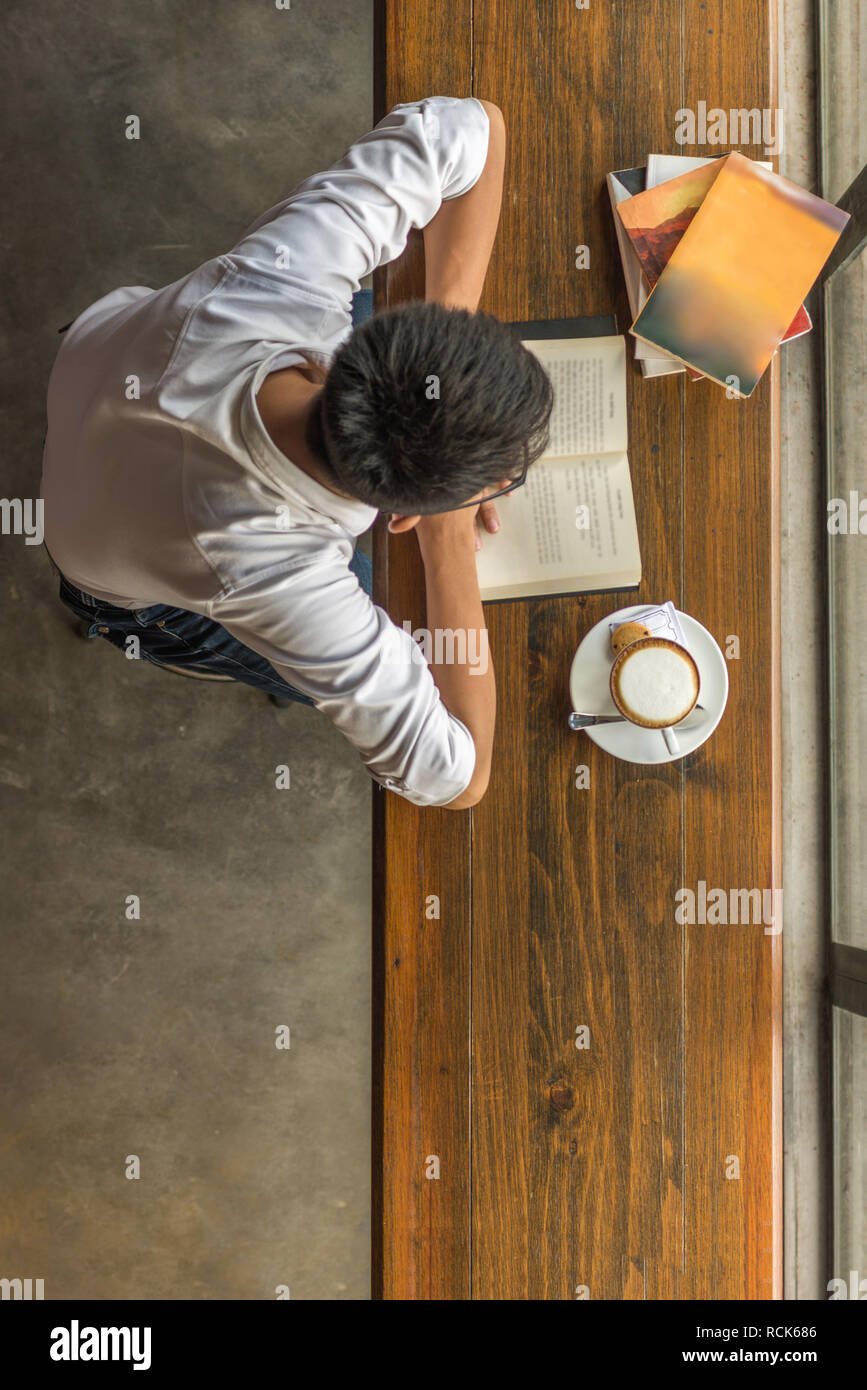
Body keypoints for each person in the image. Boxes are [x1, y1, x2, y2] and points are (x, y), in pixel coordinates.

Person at [41, 95, 553, 809]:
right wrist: (443, 535)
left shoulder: (279, 280)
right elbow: (459, 781)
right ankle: (175, 647)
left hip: (93, 357)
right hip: (114, 583)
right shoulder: (272, 576)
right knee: (307, 667)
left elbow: (477, 128)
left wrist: (446, 350)